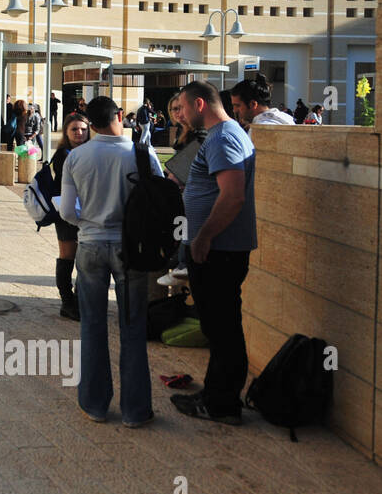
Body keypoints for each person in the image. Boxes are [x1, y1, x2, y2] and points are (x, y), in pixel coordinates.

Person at [57, 96, 161, 427]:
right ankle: (135, 410)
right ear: (119, 115)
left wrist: (88, 222)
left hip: (89, 247)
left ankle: (95, 404)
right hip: (131, 249)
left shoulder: (76, 157)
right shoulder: (141, 153)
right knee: (132, 327)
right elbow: (159, 199)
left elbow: (65, 211)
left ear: (90, 122)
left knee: (92, 325)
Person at [173, 80, 257, 427]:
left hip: (219, 249)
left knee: (223, 328)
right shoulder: (226, 134)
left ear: (200, 105)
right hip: (217, 248)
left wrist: (204, 236)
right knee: (218, 325)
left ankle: (222, 404)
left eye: (183, 107)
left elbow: (233, 195)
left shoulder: (223, 137)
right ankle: (214, 395)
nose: (181, 115)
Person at [50, 112, 89, 321]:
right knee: (67, 257)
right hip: (66, 212)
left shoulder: (88, 151)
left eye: (83, 129)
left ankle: (77, 300)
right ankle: (67, 302)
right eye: (74, 129)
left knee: (83, 258)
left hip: (86, 212)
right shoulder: (64, 154)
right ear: (66, 132)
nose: (79, 133)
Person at [230, 73, 294, 127]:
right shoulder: (286, 118)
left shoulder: (260, 129)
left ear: (253, 104)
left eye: (237, 105)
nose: (234, 110)